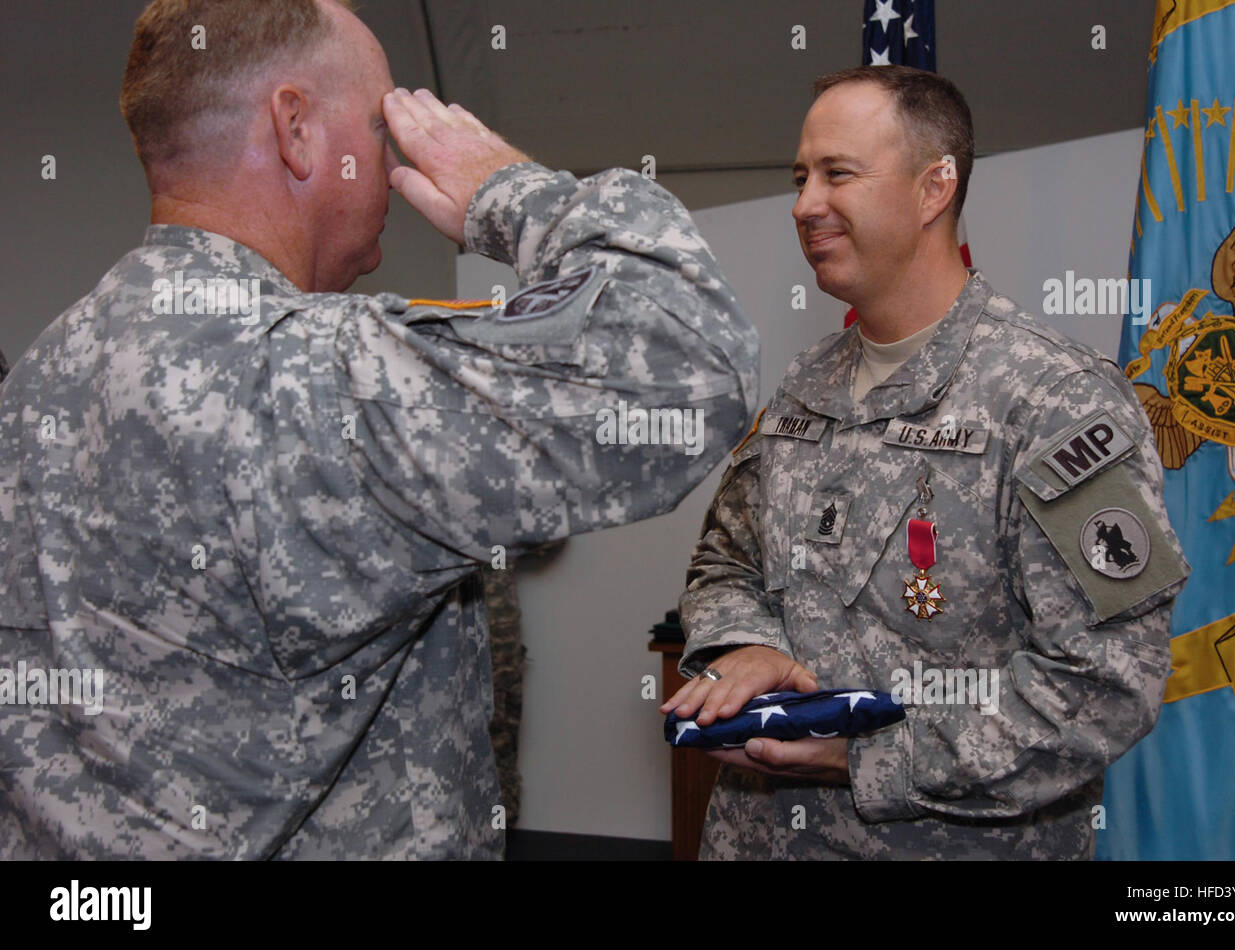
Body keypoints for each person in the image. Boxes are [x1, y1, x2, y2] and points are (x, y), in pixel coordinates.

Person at [0, 0, 757, 859]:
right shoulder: (309, 375)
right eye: (380, 123)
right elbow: (690, 358)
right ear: (295, 129)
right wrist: (509, 190)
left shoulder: (42, 372)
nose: (400, 157)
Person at [662, 65, 1189, 860]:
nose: (805, 204)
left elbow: (1106, 682)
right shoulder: (806, 386)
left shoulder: (1053, 400)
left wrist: (864, 757)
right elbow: (723, 561)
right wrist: (747, 646)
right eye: (801, 177)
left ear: (934, 187)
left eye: (839, 173)